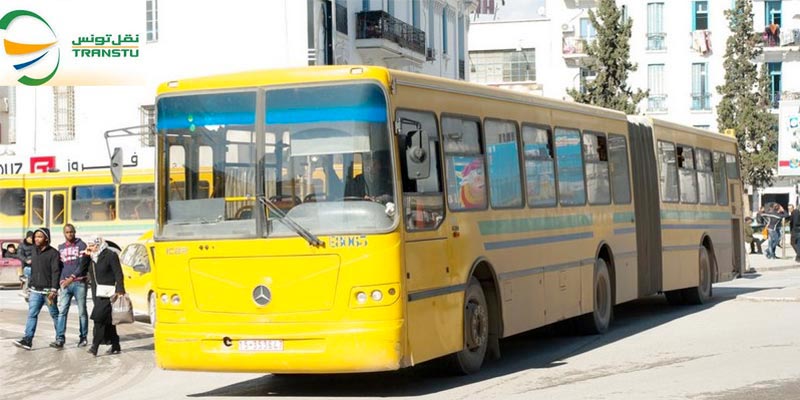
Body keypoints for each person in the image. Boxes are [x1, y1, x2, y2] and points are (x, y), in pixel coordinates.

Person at [13, 228, 61, 350]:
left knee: (55, 315)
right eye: (36, 237)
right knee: (32, 314)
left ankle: (60, 338)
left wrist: (54, 289)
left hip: (48, 291)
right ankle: (27, 340)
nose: (36, 239)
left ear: (46, 238)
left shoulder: (53, 253)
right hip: (35, 290)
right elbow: (21, 251)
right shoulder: (33, 250)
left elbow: (56, 272)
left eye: (40, 236)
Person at [83, 236, 125, 356]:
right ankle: (115, 345)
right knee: (108, 321)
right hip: (97, 293)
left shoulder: (110, 255)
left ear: (98, 245)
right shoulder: (92, 258)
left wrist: (120, 289)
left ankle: (94, 347)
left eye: (92, 245)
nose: (90, 248)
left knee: (99, 318)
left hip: (109, 293)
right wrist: (85, 256)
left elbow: (118, 273)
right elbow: (82, 269)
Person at [53, 224, 89, 349]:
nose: (70, 234)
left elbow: (82, 265)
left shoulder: (81, 245)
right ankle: (60, 338)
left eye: (71, 232)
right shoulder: (61, 247)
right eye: (67, 232)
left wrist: (71, 278)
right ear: (64, 233)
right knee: (62, 312)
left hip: (79, 282)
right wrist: (61, 281)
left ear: (75, 232)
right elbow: (60, 266)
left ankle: (83, 337)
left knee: (82, 312)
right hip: (65, 284)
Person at [16, 230, 35, 300]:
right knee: (28, 274)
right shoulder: (22, 245)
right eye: (30, 238)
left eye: (32, 238)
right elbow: (19, 254)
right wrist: (26, 260)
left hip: (35, 265)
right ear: (27, 238)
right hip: (27, 265)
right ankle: (26, 291)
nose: (31, 239)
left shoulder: (35, 244)